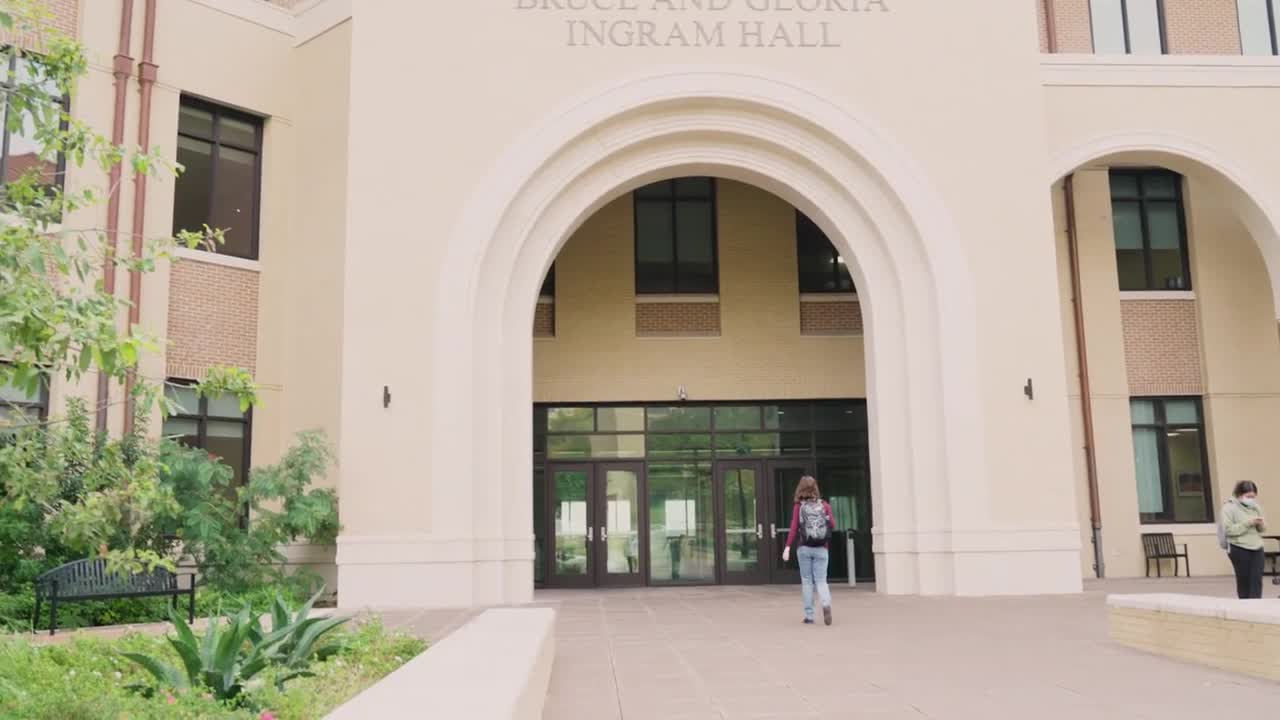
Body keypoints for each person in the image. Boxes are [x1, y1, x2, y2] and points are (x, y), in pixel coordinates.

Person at [782, 475, 836, 625]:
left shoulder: (798, 507)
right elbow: (832, 524)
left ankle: (809, 616)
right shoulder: (824, 505)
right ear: (815, 489)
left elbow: (794, 528)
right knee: (821, 581)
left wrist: (787, 547)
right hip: (822, 549)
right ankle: (826, 604)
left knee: (807, 581)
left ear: (800, 489)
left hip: (804, 548)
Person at [1222, 481, 1267, 599]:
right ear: (1239, 494)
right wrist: (1248, 523)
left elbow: (1262, 530)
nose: (1251, 499)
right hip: (1238, 547)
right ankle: (1245, 604)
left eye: (1253, 496)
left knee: (1256, 578)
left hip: (1257, 546)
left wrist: (1260, 524)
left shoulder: (1255, 507)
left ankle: (1256, 605)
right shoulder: (1229, 508)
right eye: (1248, 496)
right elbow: (1229, 530)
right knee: (1244, 578)